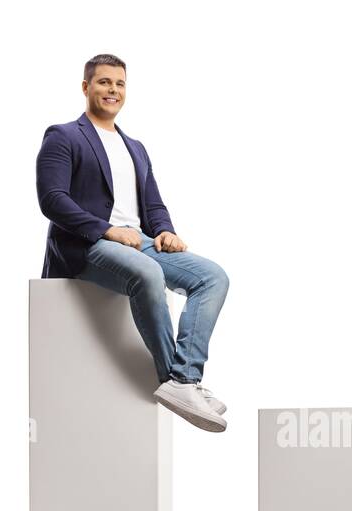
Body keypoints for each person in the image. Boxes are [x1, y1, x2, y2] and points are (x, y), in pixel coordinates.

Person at [36, 53, 230, 432]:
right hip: (87, 243)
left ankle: (182, 379)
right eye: (104, 82)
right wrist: (106, 230)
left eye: (119, 84)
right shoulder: (63, 135)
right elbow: (52, 198)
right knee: (147, 273)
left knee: (213, 278)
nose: (112, 90)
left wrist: (165, 231)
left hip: (137, 240)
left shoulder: (135, 147)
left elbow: (153, 204)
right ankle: (179, 382)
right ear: (85, 86)